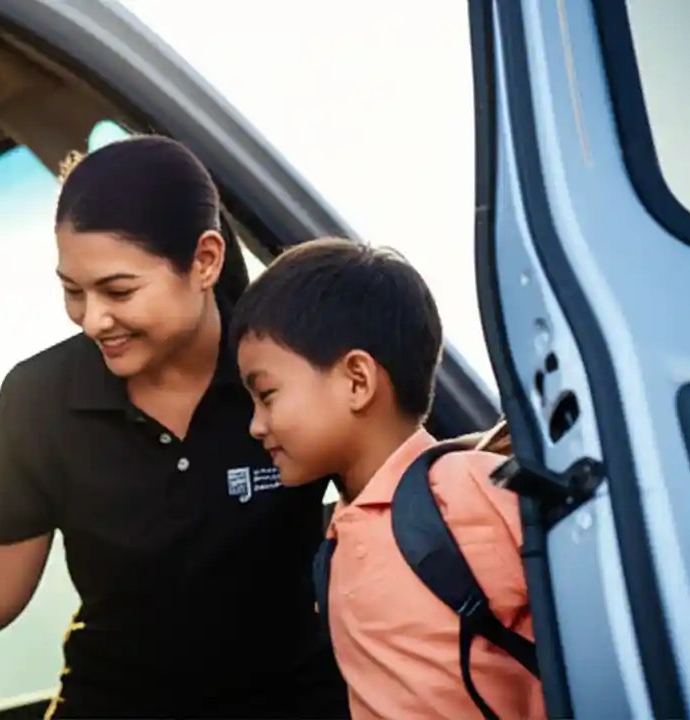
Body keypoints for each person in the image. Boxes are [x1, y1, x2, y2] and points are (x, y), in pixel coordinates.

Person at [0, 135, 350, 719]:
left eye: (119, 290)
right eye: (72, 291)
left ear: (205, 261)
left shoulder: (292, 367)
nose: (94, 319)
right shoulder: (39, 399)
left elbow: (387, 498)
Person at [229, 238, 545, 720]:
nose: (256, 425)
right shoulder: (342, 535)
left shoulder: (467, 489)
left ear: (357, 381)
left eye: (267, 395)